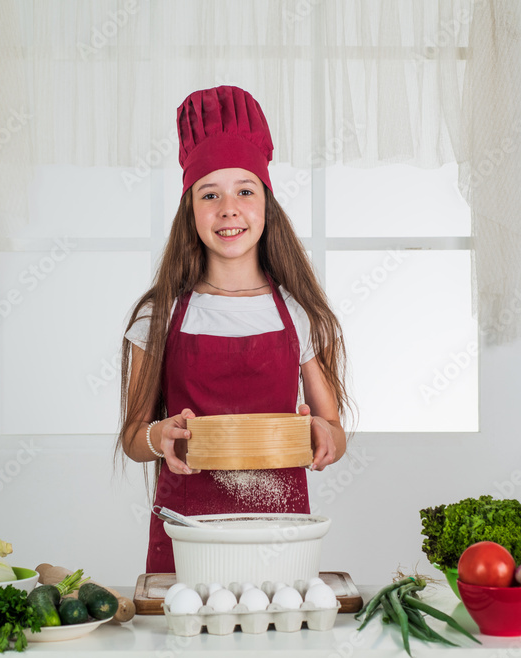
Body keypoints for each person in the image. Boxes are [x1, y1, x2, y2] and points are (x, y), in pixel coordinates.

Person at [117, 85, 350, 573]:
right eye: (210, 194)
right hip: (187, 533)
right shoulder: (158, 317)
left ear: (266, 203)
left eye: (245, 190)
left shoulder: (296, 312)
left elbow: (334, 429)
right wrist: (161, 435)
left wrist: (323, 435)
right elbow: (134, 437)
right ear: (191, 210)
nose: (229, 208)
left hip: (278, 534)